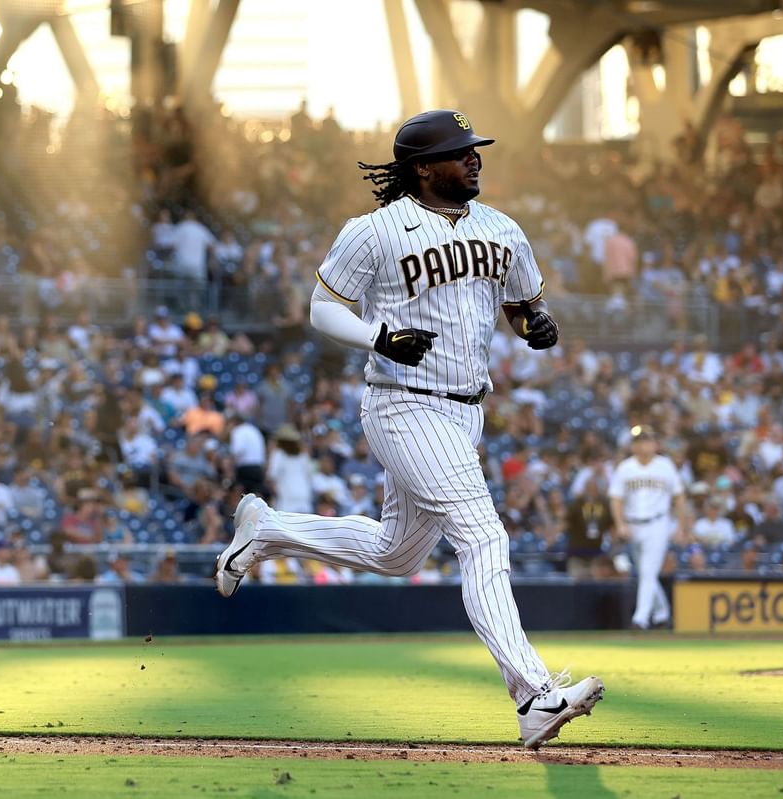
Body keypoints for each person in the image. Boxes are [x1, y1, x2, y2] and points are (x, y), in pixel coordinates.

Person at [212, 110, 602, 749]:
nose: (474, 159)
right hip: (403, 404)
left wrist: (535, 325)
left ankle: (269, 529)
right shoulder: (375, 231)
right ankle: (533, 694)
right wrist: (379, 336)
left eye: (475, 150)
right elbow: (321, 308)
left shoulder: (502, 228)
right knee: (481, 536)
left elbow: (520, 301)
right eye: (460, 152)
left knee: (398, 553)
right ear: (423, 167)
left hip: (464, 409)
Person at [609, 425, 686, 631]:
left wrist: (680, 526)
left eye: (647, 440)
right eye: (638, 441)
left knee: (647, 570)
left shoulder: (665, 465)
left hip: (658, 523)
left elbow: (678, 497)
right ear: (633, 445)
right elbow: (616, 499)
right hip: (633, 524)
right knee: (645, 572)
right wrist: (620, 524)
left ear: (655, 444)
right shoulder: (625, 467)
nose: (643, 445)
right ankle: (662, 612)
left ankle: (640, 618)